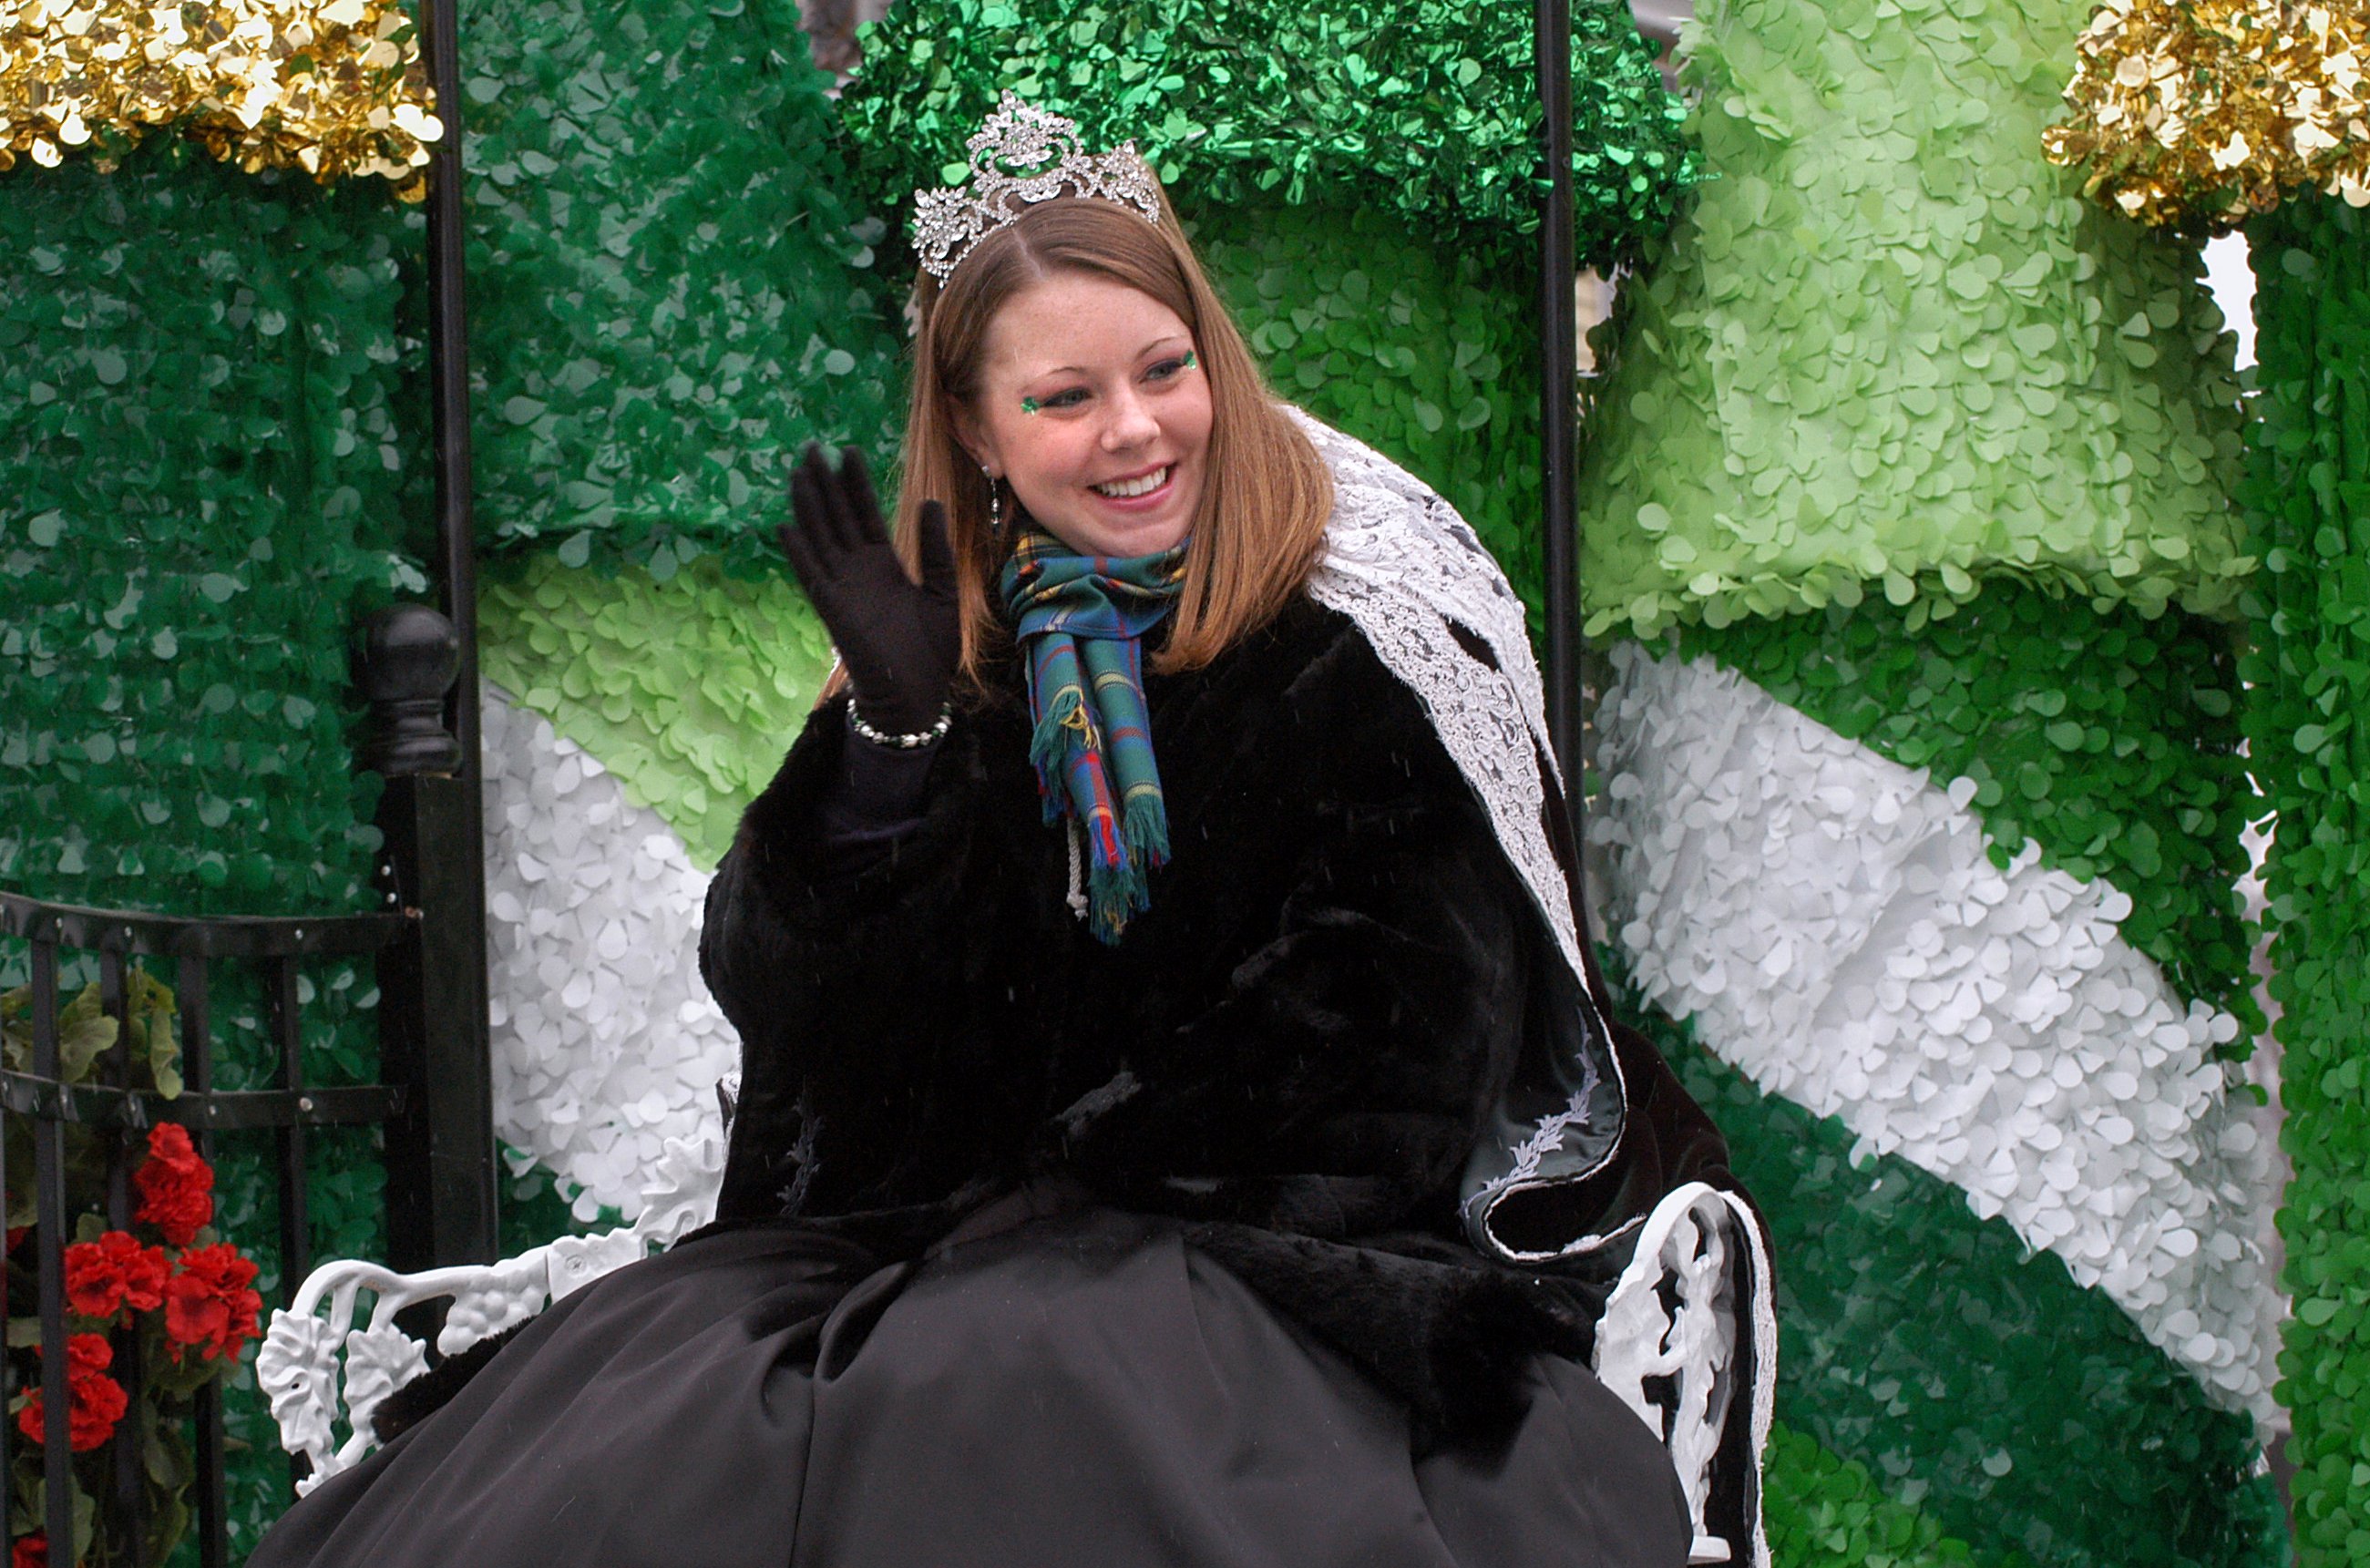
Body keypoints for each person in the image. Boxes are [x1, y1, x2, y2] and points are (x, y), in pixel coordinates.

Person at [251, 94, 1760, 1568]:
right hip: (958, 1260)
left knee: (1004, 1386)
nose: (1134, 432)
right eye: (1063, 398)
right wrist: (885, 747)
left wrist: (1057, 1188)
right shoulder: (964, 644)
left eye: (1163, 371)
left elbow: (1397, 1047)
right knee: (653, 1437)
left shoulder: (1355, 626)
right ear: (975, 429)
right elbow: (806, 1023)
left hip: (1296, 1281)